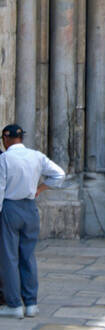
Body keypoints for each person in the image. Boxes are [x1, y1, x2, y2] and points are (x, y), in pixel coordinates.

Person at [0, 124, 66, 320]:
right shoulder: (37, 156)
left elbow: (0, 188)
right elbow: (59, 174)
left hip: (11, 208)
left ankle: (14, 305)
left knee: (9, 258)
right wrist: (41, 188)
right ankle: (31, 304)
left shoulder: (4, 159)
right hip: (30, 208)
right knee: (28, 257)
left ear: (5, 137)